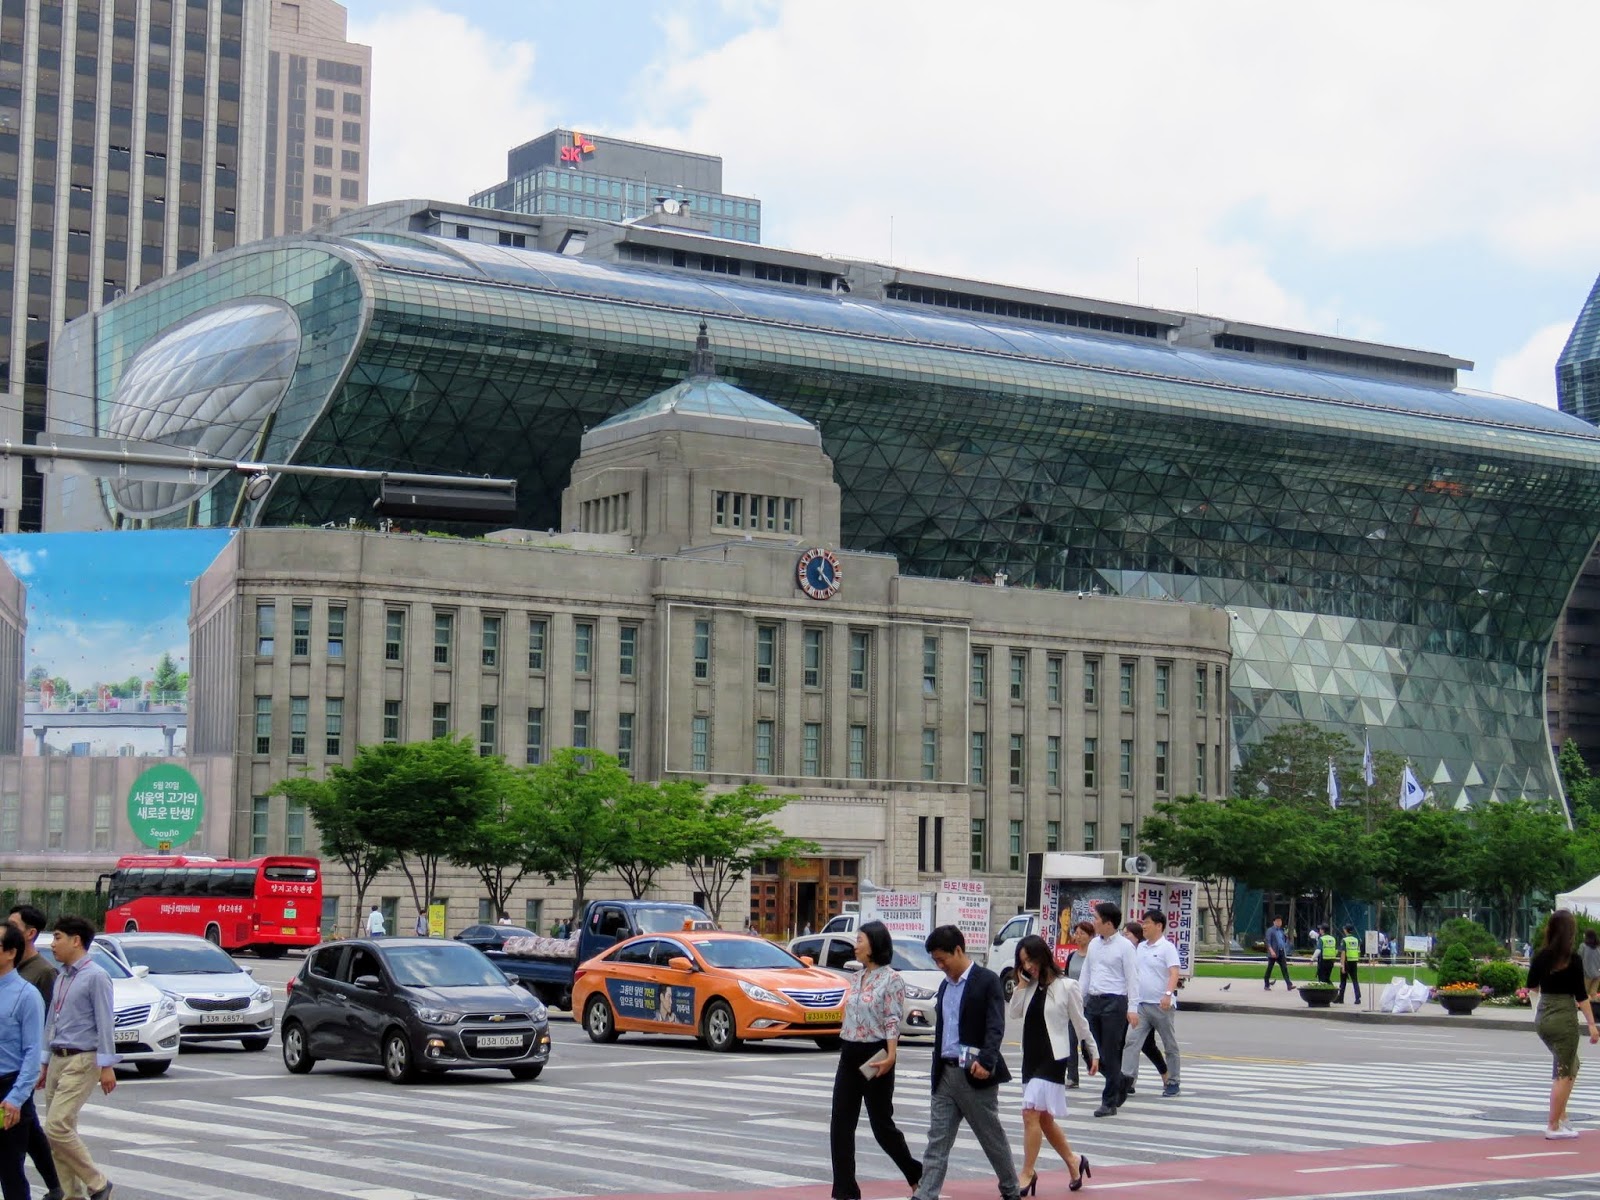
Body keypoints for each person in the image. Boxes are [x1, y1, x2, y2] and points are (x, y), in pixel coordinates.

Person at [910, 925, 1018, 1200]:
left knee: (990, 1137)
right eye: (935, 960)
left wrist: (986, 1060)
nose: (940, 965)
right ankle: (925, 1194)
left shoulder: (986, 980)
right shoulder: (945, 986)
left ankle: (1010, 1189)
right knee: (937, 1140)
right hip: (945, 1073)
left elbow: (995, 1025)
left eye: (942, 959)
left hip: (974, 1074)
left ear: (958, 950)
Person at [828, 920, 921, 1200]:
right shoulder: (856, 977)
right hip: (850, 1053)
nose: (855, 945)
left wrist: (892, 1054)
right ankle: (845, 1190)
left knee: (881, 1125)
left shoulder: (892, 979)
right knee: (841, 1124)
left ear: (875, 944)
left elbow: (892, 1018)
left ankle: (916, 1173)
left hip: (876, 1054)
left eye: (860, 940)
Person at [1007, 934, 1096, 1193]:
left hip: (1053, 1057)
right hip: (1031, 1057)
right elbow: (1013, 1013)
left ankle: (1027, 1172)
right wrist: (1021, 984)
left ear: (1043, 956)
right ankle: (1074, 1160)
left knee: (1030, 1113)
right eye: (1023, 963)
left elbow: (1081, 1023)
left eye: (1030, 960)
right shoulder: (1030, 985)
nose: (1028, 967)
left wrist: (1093, 1051)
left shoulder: (1067, 986)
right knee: (1044, 1119)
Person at [39, 916, 116, 1200]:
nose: (53, 944)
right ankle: (71, 1195)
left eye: (58, 937)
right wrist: (44, 1062)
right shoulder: (62, 976)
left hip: (82, 1059)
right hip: (58, 1057)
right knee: (58, 1134)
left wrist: (106, 1066)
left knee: (56, 1126)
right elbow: (52, 1020)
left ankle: (97, 1183)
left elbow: (105, 1022)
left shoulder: (96, 976)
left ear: (76, 940)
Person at [1527, 909, 1599, 1139]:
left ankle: (1562, 1115)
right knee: (1565, 1072)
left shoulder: (1541, 957)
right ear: (1570, 933)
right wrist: (1592, 1024)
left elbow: (1532, 987)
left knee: (1569, 1064)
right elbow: (1581, 996)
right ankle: (1553, 1125)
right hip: (1564, 1017)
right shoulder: (1573, 960)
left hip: (1544, 1017)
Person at [8, 905, 61, 1200]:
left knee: (22, 1133)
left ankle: (58, 1185)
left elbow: (49, 1023)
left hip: (21, 1067)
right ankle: (56, 1186)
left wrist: (41, 1064)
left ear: (29, 934)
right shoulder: (11, 969)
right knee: (28, 1130)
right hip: (11, 1066)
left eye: (13, 926)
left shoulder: (42, 973)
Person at [0, 923, 45, 1200]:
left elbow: (33, 1053)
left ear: (10, 953)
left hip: (7, 1092)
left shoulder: (27, 995)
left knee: (10, 1170)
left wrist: (16, 1099)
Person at [1081, 901, 1138, 1118]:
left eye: (1096, 918)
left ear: (1108, 922)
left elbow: (1133, 978)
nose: (1094, 922)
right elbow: (1087, 973)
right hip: (1094, 1002)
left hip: (1115, 1002)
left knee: (1109, 1052)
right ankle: (1120, 1080)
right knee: (1088, 1049)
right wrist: (1078, 1000)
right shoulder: (1095, 944)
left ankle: (1109, 1101)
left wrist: (1133, 1008)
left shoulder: (1125, 947)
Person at [1122, 910, 1182, 1100]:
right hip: (1141, 1005)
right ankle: (1127, 1080)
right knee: (1131, 1041)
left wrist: (1167, 994)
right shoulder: (1140, 948)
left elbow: (1174, 973)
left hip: (1161, 1005)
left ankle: (1173, 1082)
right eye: (1143, 923)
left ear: (1159, 926)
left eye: (1147, 923)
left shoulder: (1167, 948)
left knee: (1169, 1044)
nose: (1144, 926)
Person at [1119, 922, 1167, 1092]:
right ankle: (1128, 1081)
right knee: (1129, 1043)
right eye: (1123, 934)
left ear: (1137, 937)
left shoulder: (1141, 951)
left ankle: (1165, 1075)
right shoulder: (1128, 952)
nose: (1124, 938)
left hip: (1143, 1004)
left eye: (1128, 935)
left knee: (1146, 1045)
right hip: (1127, 1003)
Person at [1062, 921, 1097, 1088]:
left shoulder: (1094, 956)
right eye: (1077, 933)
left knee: (1087, 1042)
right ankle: (1072, 1076)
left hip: (1090, 1004)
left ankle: (1095, 1065)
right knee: (1070, 1040)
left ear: (1091, 936)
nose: (1078, 936)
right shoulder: (1072, 956)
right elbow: (1067, 978)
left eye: (1083, 933)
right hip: (1073, 1004)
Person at [1264, 916, 1295, 991]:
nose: (1279, 923)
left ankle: (1289, 984)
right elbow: (1268, 941)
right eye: (1277, 921)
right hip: (1273, 952)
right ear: (1274, 922)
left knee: (1284, 968)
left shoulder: (1281, 931)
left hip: (1280, 951)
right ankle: (1266, 984)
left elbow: (1283, 941)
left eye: (1280, 921)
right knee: (1270, 968)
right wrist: (1271, 951)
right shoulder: (1270, 930)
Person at [1337, 925, 1363, 1005]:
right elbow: (1358, 951)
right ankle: (1358, 998)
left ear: (1346, 930)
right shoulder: (1356, 940)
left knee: (1343, 980)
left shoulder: (1344, 940)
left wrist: (1342, 965)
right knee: (1355, 980)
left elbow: (1343, 953)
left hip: (1346, 961)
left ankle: (1341, 998)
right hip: (1354, 961)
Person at [1581, 929, 1600, 1003]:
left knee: (1583, 994)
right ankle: (1595, 1010)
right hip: (1597, 974)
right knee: (1593, 994)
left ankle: (1584, 1011)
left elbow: (1579, 958)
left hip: (1586, 974)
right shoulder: (1599, 947)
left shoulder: (1583, 946)